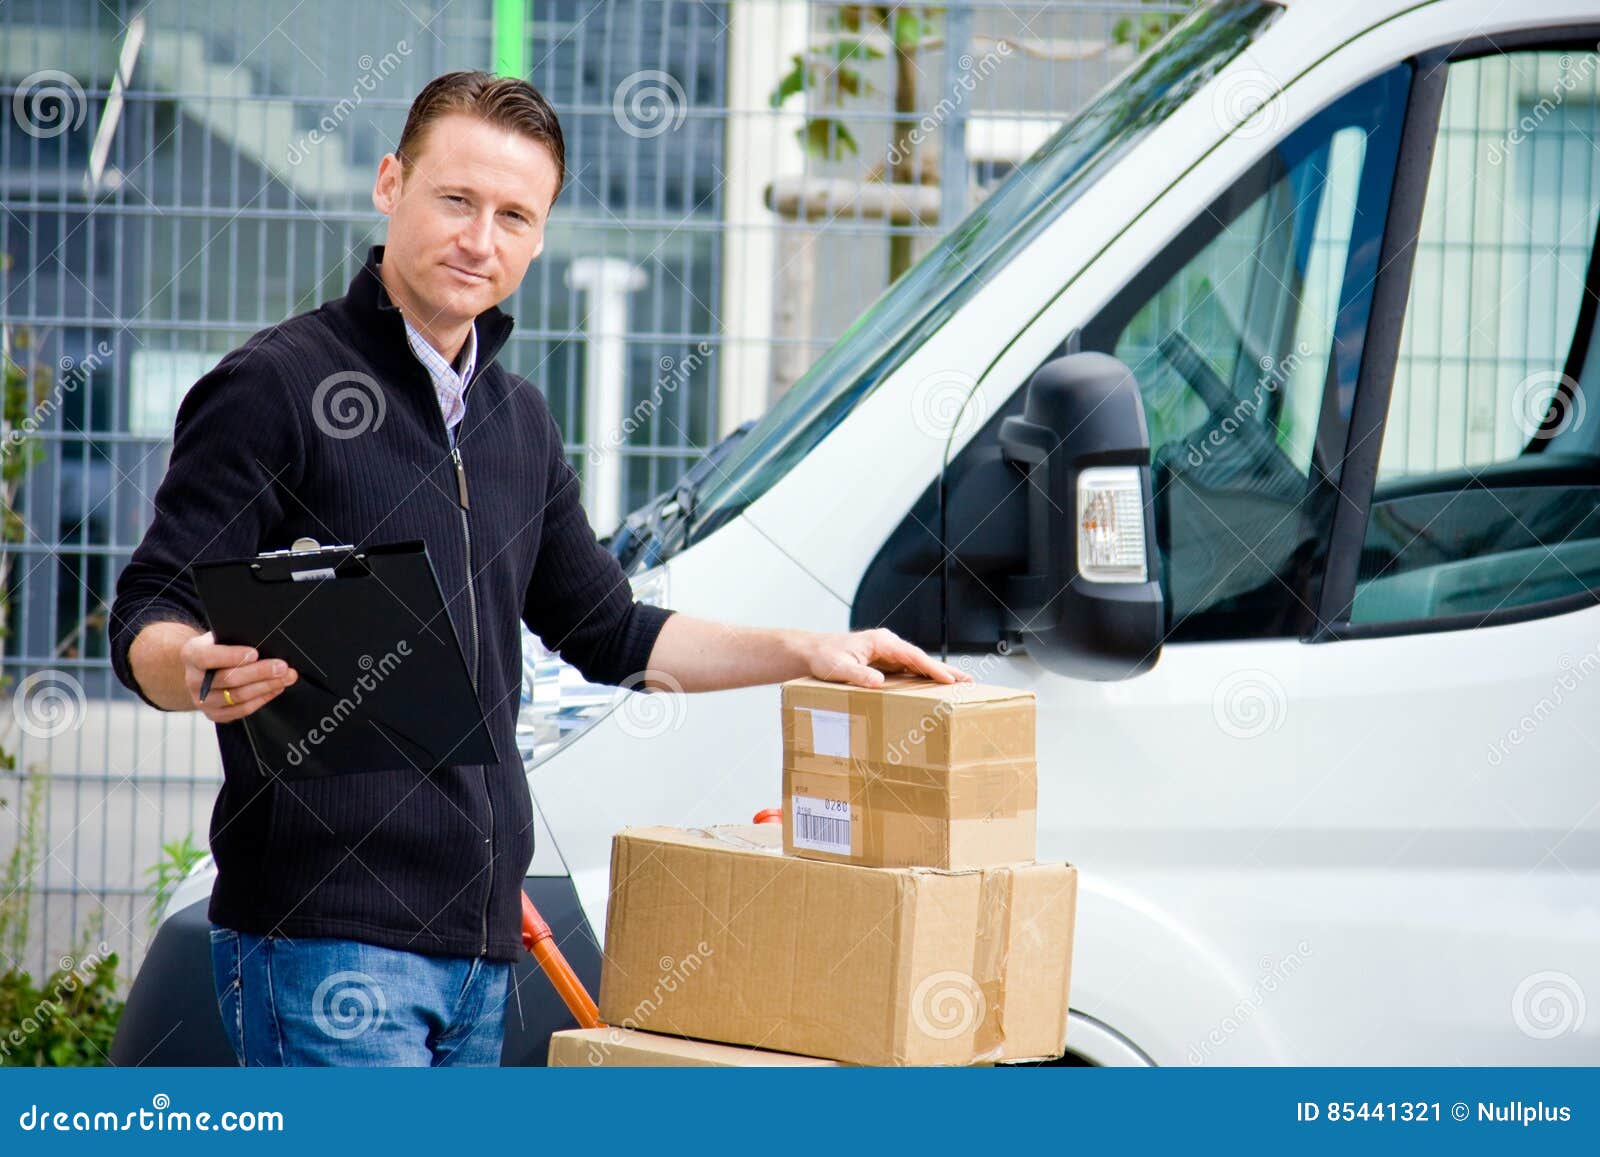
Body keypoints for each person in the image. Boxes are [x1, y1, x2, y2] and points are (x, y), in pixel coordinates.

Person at [108, 70, 969, 1068]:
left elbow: (611, 631)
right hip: (325, 941)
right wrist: (197, 668)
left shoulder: (517, 421)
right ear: (391, 184)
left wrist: (812, 649)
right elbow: (151, 608)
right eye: (456, 200)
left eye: (514, 215)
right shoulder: (276, 385)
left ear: (540, 234)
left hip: (480, 948)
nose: (481, 239)